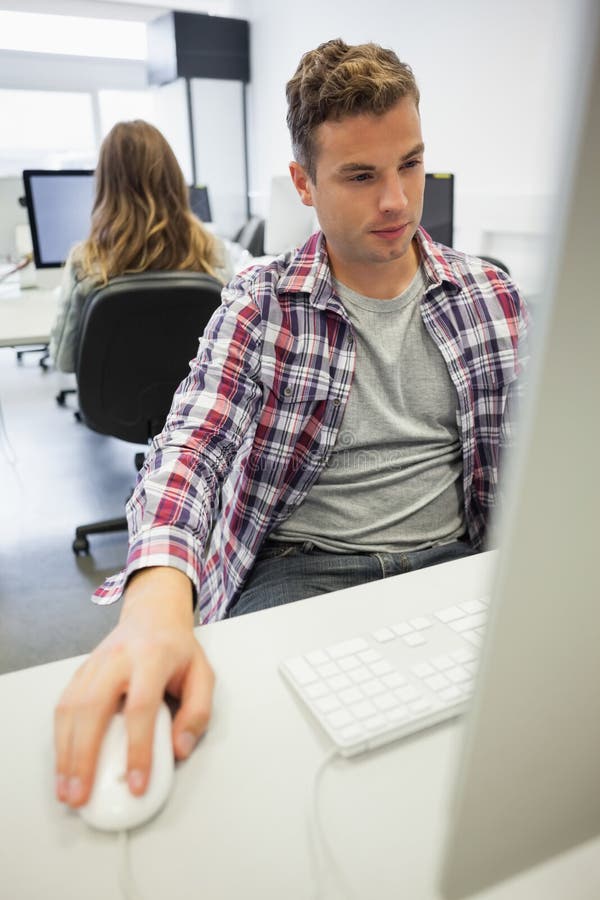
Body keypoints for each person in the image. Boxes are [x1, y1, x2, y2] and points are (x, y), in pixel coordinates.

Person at [54, 39, 529, 809]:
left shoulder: (489, 296)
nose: (398, 203)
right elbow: (189, 450)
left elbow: (544, 455)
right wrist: (154, 604)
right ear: (304, 184)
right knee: (249, 782)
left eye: (410, 164)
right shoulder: (259, 304)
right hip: (304, 573)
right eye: (361, 175)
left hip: (454, 559)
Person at [49, 119, 230, 373]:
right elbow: (231, 346)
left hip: (111, 409)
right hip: (197, 407)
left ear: (105, 185)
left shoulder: (85, 262)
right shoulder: (212, 251)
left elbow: (64, 361)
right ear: (173, 178)